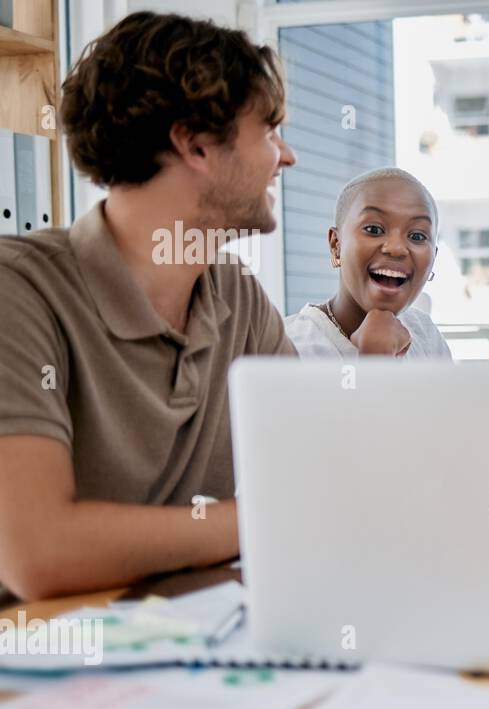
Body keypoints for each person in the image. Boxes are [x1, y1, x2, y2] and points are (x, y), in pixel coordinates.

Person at [0, 12, 297, 600]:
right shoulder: (19, 291)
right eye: (268, 131)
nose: (285, 157)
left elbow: (318, 474)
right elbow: (39, 553)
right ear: (194, 143)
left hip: (187, 653)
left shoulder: (240, 299)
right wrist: (267, 520)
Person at [285, 168, 451, 359]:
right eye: (374, 229)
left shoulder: (426, 335)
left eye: (417, 236)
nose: (396, 249)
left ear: (434, 258)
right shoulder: (289, 349)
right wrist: (376, 358)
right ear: (336, 245)